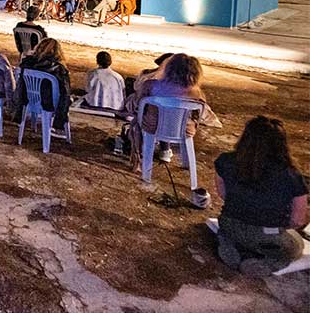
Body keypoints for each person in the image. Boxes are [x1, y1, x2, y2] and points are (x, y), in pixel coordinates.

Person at [214, 116, 308, 277]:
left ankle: (229, 243)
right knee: (296, 246)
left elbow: (223, 193)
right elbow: (297, 220)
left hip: (229, 223)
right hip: (266, 236)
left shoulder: (225, 161)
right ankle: (264, 264)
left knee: (233, 233)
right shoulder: (291, 176)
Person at [127, 53, 206, 170]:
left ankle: (139, 159)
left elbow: (137, 105)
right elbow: (199, 115)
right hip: (184, 131)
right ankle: (172, 154)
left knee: (137, 122)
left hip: (152, 127)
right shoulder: (197, 94)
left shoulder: (150, 85)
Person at [16, 38, 71, 138]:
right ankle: (59, 127)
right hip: (49, 103)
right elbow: (65, 93)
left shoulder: (27, 63)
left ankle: (21, 119)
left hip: (29, 99)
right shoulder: (59, 69)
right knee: (67, 97)